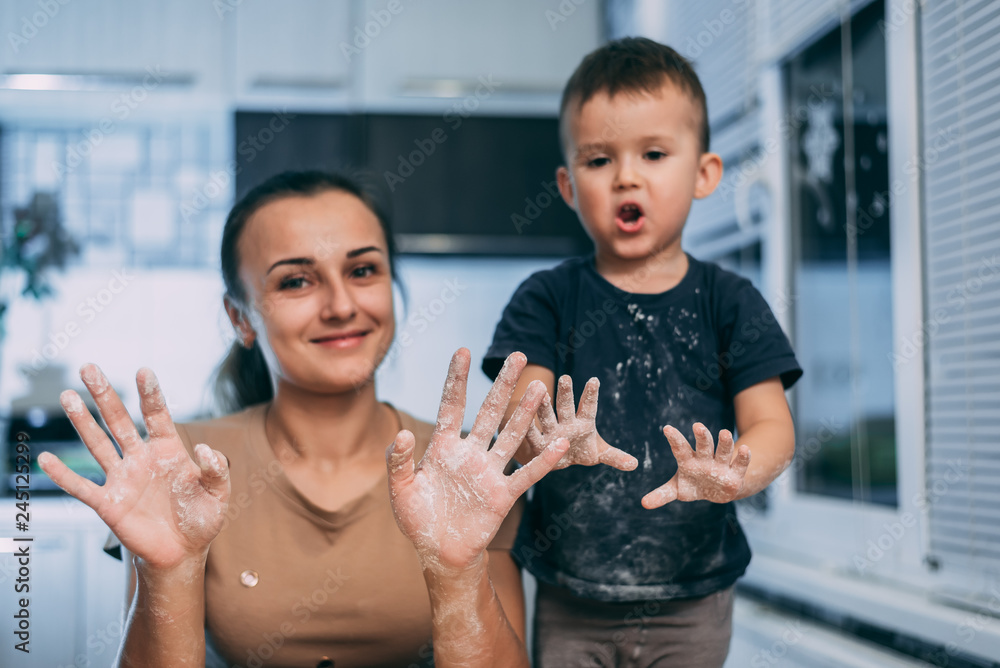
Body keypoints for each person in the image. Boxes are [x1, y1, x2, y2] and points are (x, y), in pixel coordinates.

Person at [39, 170, 570, 668]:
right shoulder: (181, 467)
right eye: (296, 281)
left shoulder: (467, 467)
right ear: (240, 316)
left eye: (362, 270)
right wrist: (169, 572)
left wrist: (458, 576)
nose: (341, 305)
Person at [482, 38, 803, 667]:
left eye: (654, 154)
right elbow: (522, 412)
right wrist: (547, 437)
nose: (627, 175)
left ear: (704, 173)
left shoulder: (730, 301)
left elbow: (773, 429)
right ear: (568, 185)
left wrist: (735, 472)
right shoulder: (545, 298)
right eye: (599, 161)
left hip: (695, 598)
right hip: (570, 595)